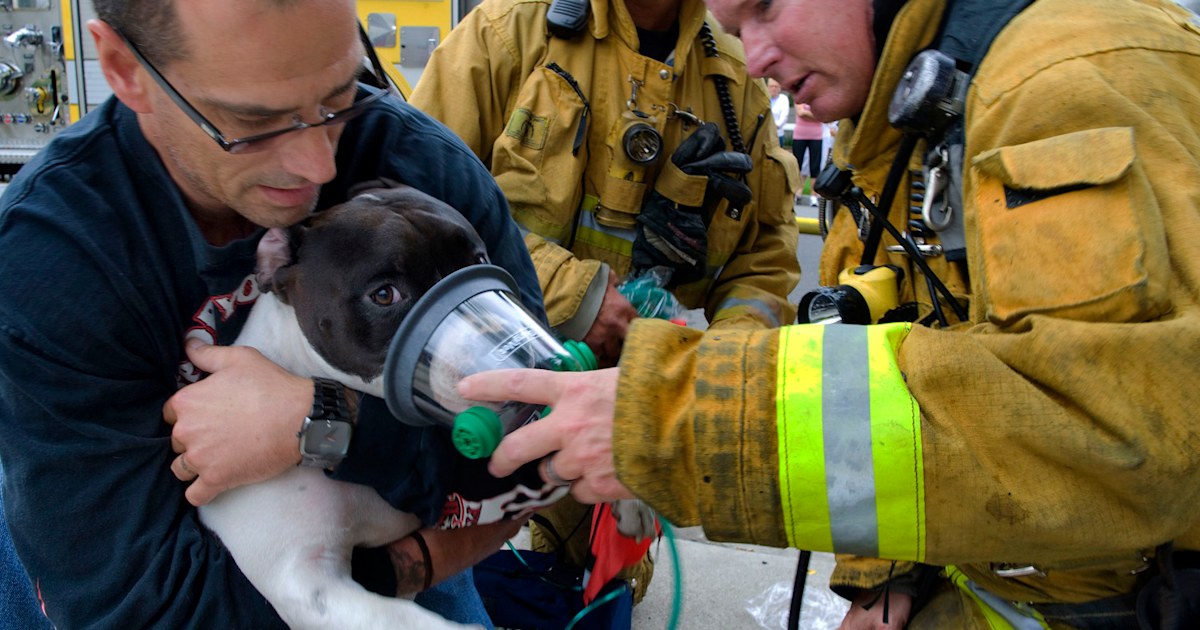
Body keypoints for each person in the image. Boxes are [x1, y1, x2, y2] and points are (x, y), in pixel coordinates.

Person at [457, 0, 1200, 627]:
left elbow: (1105, 430)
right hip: (990, 574)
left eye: (767, 6)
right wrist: (888, 575)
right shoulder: (890, 119)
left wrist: (667, 416)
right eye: (736, 23)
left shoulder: (1067, 82)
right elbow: (896, 360)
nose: (754, 58)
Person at [0, 0, 558, 627]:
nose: (319, 164)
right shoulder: (53, 261)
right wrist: (350, 581)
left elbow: (539, 447)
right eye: (254, 122)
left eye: (340, 96)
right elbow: (138, 607)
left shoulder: (419, 165)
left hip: (393, 562)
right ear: (124, 68)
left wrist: (326, 421)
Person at [410, 0, 801, 604]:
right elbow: (415, 200)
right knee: (438, 574)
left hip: (617, 417)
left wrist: (709, 384)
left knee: (592, 591)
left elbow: (764, 261)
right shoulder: (506, 35)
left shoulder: (733, 74)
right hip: (476, 388)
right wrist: (580, 293)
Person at [791, 102, 824, 206]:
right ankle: (797, 191)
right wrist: (815, 115)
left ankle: (813, 195)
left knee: (815, 166)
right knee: (797, 164)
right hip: (800, 135)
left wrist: (808, 114)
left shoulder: (818, 99)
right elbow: (801, 113)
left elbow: (823, 116)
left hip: (816, 136)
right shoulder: (800, 98)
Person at [767, 78, 790, 146]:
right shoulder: (764, 98)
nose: (773, 89)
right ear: (767, 87)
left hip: (778, 134)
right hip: (765, 135)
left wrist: (773, 126)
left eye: (776, 86)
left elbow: (784, 117)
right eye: (771, 86)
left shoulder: (784, 99)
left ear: (780, 88)